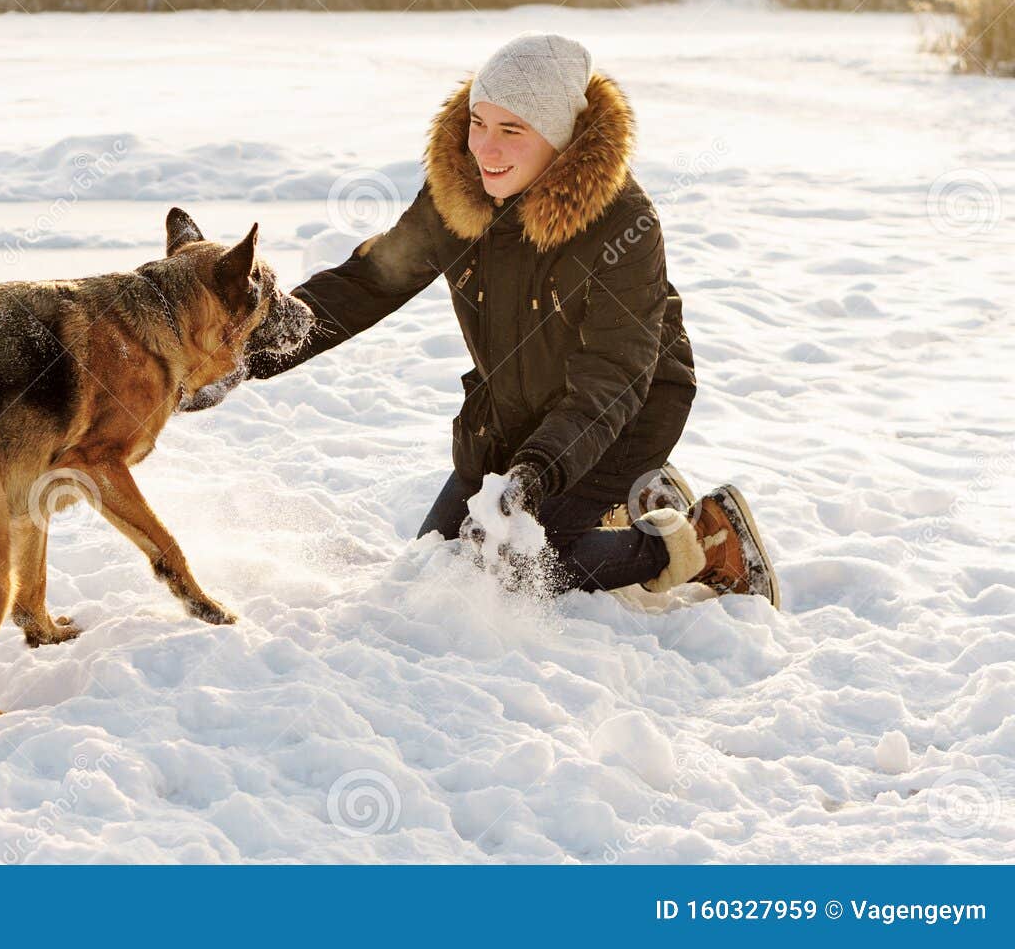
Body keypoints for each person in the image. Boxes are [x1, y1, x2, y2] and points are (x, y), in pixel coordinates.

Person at [249, 33, 779, 606]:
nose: (486, 150)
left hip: (625, 412)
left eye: (512, 131)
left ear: (560, 140)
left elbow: (614, 375)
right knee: (440, 559)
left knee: (505, 573)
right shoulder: (457, 195)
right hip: (514, 409)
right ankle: (617, 503)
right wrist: (246, 349)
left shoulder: (623, 225)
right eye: (479, 122)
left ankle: (698, 540)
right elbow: (372, 281)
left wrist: (537, 471)